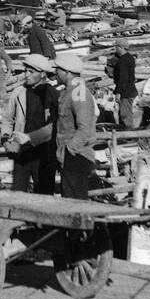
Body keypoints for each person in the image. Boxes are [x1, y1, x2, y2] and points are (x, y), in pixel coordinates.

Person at [5, 54, 59, 194]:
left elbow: (59, 125)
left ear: (42, 74)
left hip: (44, 153)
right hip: (22, 151)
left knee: (44, 194)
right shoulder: (19, 92)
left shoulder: (53, 94)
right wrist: (6, 139)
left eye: (31, 72)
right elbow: (8, 119)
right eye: (25, 71)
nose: (26, 75)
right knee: (18, 191)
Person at [54, 52, 99, 200]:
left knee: (75, 201)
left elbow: (85, 128)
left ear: (67, 72)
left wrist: (69, 150)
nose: (55, 73)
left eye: (57, 70)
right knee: (69, 198)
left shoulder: (79, 93)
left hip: (76, 155)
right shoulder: (69, 92)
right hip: (70, 155)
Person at [106, 41, 140, 129]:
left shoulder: (122, 60)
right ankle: (126, 132)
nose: (115, 49)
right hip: (130, 88)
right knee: (124, 113)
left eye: (116, 47)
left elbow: (123, 78)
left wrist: (118, 92)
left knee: (125, 115)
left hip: (125, 91)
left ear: (120, 47)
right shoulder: (130, 57)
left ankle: (129, 135)